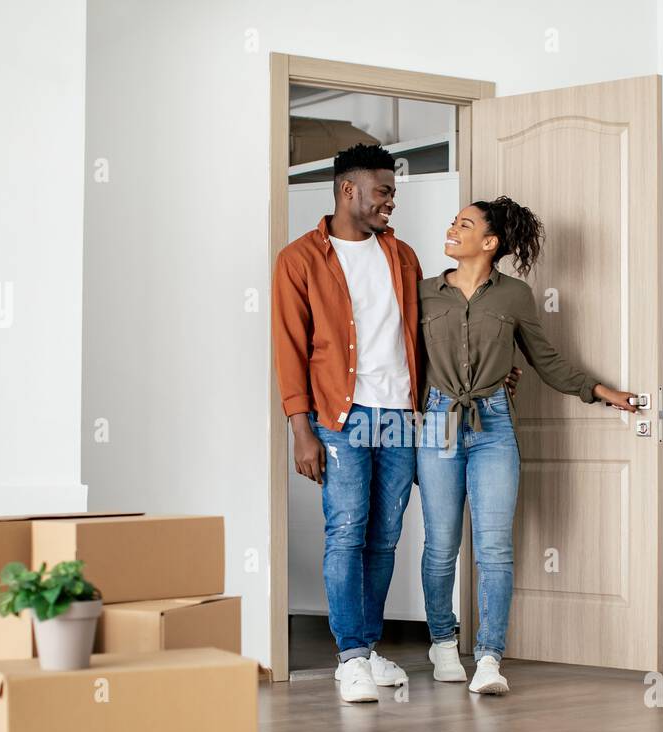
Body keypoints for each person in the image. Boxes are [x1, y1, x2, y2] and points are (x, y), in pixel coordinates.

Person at [416, 196, 639, 695]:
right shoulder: (424, 293)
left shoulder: (515, 296)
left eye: (464, 224)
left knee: (494, 548)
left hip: (494, 424)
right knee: (441, 545)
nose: (453, 229)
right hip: (437, 423)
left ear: (490, 243)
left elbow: (546, 360)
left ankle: (491, 658)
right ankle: (442, 642)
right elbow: (405, 361)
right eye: (453, 221)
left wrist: (602, 391)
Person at [271, 143, 421, 703]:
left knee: (384, 536)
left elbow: (420, 337)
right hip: (342, 414)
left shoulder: (402, 256)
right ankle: (350, 656)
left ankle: (368, 645)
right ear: (347, 190)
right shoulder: (299, 259)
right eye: (383, 192)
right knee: (346, 528)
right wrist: (299, 426)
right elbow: (288, 348)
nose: (390, 203)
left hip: (399, 413)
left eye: (393, 194)